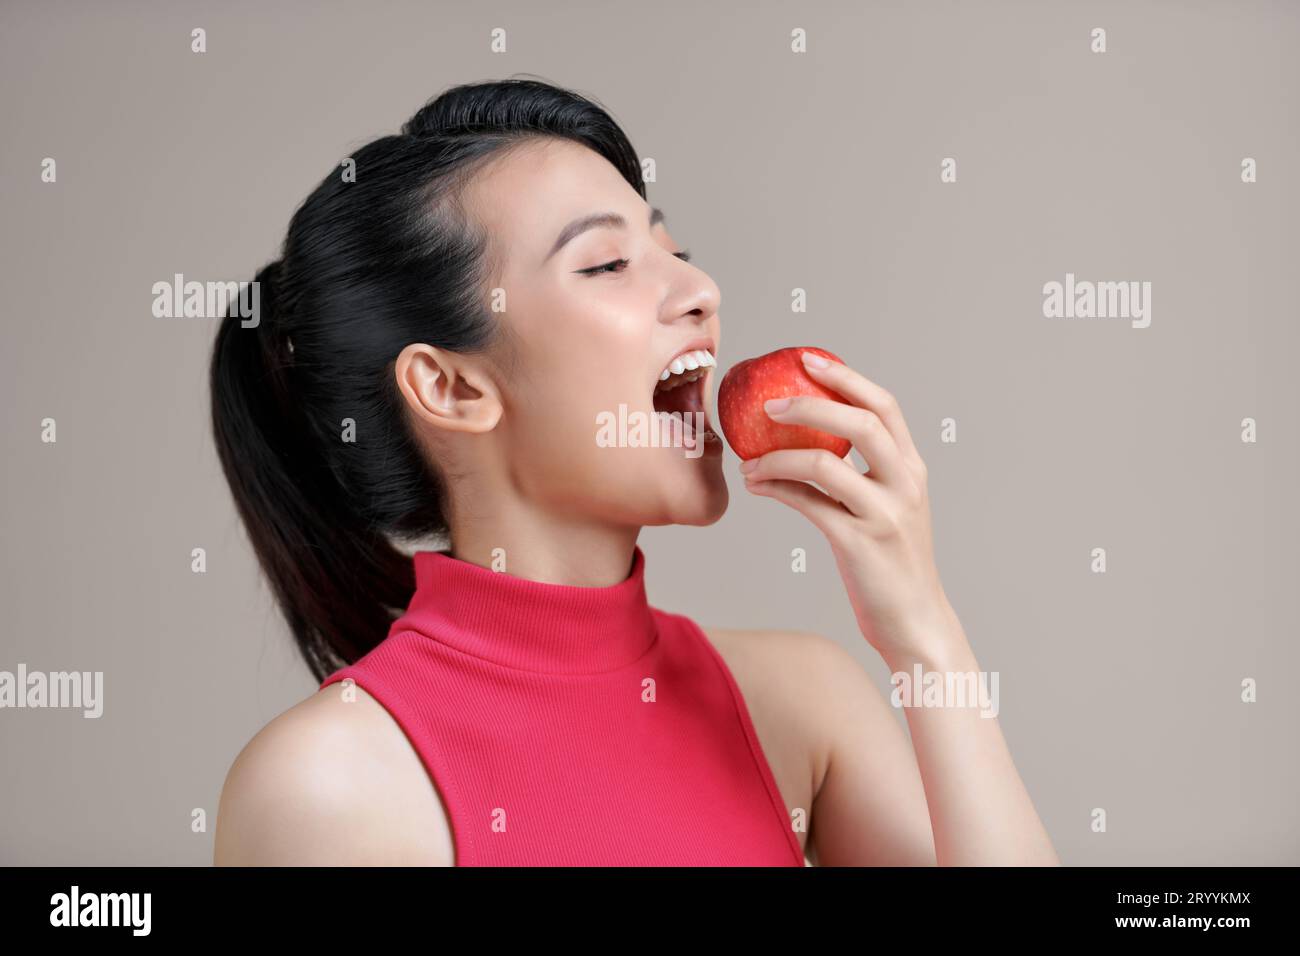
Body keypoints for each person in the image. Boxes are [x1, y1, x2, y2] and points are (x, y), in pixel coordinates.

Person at [210, 77, 1058, 866]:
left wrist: (924, 633)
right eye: (607, 264)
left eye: (673, 248)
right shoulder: (328, 785)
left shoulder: (801, 704)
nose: (701, 290)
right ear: (453, 387)